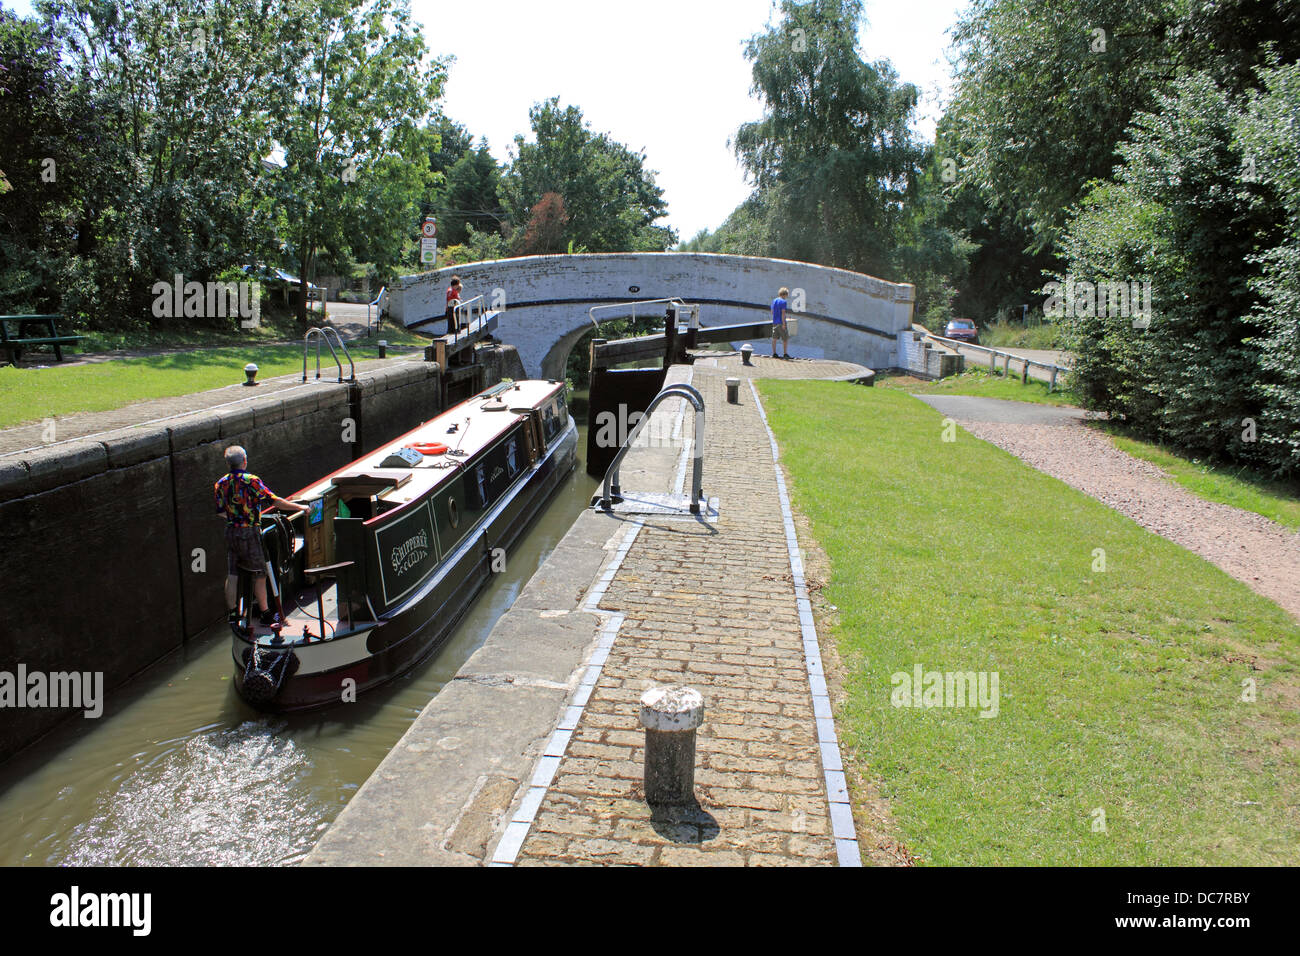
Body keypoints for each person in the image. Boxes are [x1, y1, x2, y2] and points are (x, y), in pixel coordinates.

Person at [214, 445, 308, 632]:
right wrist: (300, 508)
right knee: (260, 573)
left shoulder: (220, 483)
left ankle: (233, 613)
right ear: (245, 461)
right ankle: (266, 614)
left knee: (233, 574)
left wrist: (236, 518)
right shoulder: (252, 481)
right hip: (250, 532)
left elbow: (220, 512)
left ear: (228, 464)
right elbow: (275, 501)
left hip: (231, 532)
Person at [771, 286, 791, 359]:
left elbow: (772, 312)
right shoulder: (783, 302)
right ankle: (785, 353)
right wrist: (784, 324)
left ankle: (774, 353)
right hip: (781, 322)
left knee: (774, 338)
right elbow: (783, 313)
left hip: (775, 322)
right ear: (785, 294)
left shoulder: (774, 300)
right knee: (785, 339)